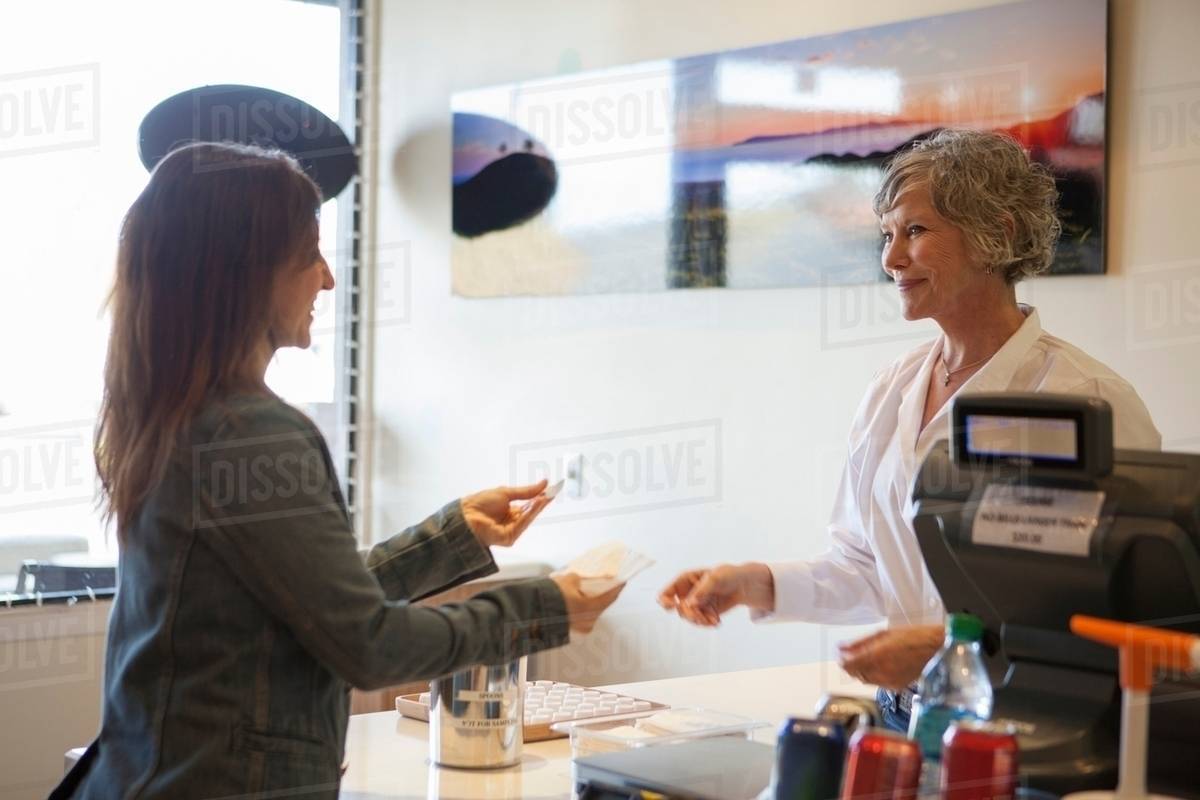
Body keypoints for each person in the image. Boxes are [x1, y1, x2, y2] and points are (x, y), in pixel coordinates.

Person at [53, 142, 621, 799]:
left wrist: (452, 537)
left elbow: (311, 602)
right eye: (309, 255)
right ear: (246, 272)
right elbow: (368, 643)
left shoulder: (176, 413)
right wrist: (547, 606)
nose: (326, 278)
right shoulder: (251, 433)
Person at [657, 129, 1160, 732]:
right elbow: (864, 566)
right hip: (905, 716)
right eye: (886, 236)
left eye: (915, 232)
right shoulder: (891, 389)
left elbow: (1118, 608)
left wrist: (944, 645)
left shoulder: (1084, 398)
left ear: (994, 233)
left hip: (1028, 725)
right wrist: (753, 583)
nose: (891, 260)